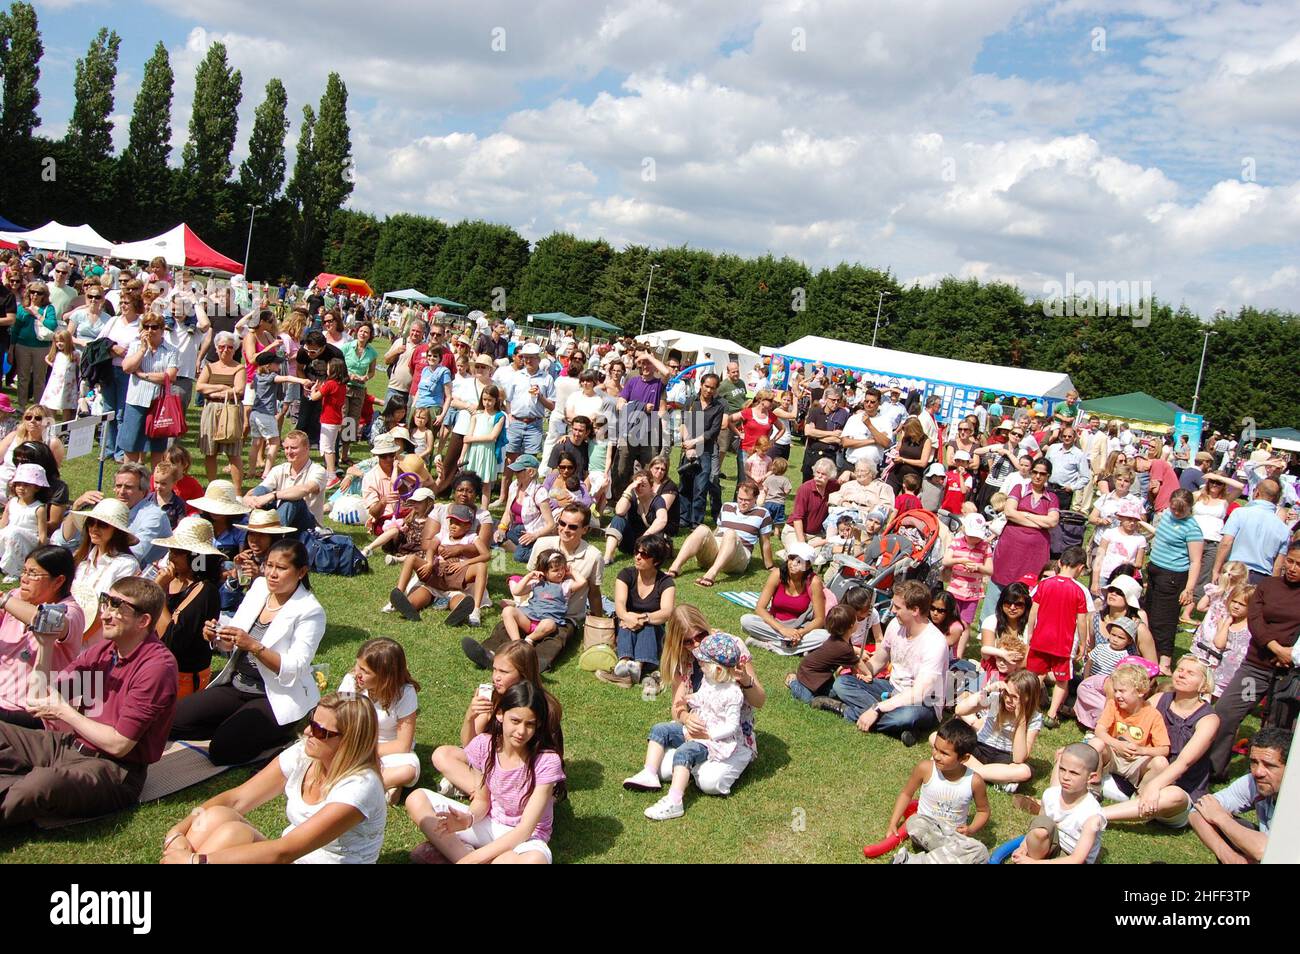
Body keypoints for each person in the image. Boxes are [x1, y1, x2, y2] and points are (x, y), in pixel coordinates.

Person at [0, 577, 177, 827]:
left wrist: (64, 711)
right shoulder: (105, 651)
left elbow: (119, 745)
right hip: (69, 746)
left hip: (114, 769)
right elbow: (37, 700)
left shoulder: (156, 667)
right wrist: (46, 646)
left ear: (143, 620)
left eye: (117, 607)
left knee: (40, 784)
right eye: (106, 603)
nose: (105, 614)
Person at [161, 693, 385, 864]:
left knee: (234, 834)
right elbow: (236, 799)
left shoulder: (360, 787)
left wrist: (196, 861)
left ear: (348, 742)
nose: (307, 732)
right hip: (291, 857)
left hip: (293, 856)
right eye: (311, 721)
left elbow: (285, 851)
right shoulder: (304, 755)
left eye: (320, 731)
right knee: (218, 816)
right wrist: (177, 831)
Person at [169, 540, 325, 765]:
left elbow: (296, 668)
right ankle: (234, 725)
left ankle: (278, 735)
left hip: (274, 695)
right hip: (237, 685)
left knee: (222, 751)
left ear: (301, 572)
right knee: (171, 721)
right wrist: (218, 637)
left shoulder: (310, 611)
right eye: (269, 566)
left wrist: (254, 646)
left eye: (281, 568)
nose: (272, 573)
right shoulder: (260, 587)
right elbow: (232, 642)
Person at [405, 682, 565, 863]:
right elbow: (482, 800)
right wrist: (468, 818)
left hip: (526, 840)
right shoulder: (484, 745)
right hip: (490, 824)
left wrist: (470, 860)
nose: (521, 731)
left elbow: (525, 829)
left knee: (535, 860)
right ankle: (467, 855)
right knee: (417, 798)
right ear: (500, 714)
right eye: (515, 721)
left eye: (530, 724)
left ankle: (459, 854)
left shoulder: (546, 761)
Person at [464, 502, 604, 672]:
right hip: (534, 608)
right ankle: (488, 653)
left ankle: (532, 664)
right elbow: (532, 581)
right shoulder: (542, 544)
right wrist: (520, 606)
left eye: (573, 526)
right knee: (505, 626)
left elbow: (595, 593)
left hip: (564, 616)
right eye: (562, 523)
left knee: (556, 637)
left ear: (585, 529)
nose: (565, 529)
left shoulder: (593, 556)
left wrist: (599, 625)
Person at [1207, 541, 1300, 779]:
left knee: (1278, 728)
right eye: (1290, 561)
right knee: (1227, 712)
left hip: (1290, 675)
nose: (1292, 567)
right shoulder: (1268, 585)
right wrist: (1275, 647)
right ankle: (1214, 769)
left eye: (1299, 564)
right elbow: (1255, 620)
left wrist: (1290, 654)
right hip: (1256, 670)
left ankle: (1271, 782)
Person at [816, 581, 947, 744]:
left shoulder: (935, 643)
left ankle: (846, 710)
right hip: (891, 689)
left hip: (924, 703)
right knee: (842, 683)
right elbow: (879, 660)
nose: (892, 611)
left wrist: (877, 708)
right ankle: (900, 728)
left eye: (898, 607)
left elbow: (919, 693)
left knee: (906, 716)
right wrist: (861, 672)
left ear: (915, 610)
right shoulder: (895, 625)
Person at [1103, 655, 1219, 829]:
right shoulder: (1159, 699)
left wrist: (1155, 786)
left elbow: (1184, 762)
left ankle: (1096, 815)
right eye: (1180, 670)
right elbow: (1129, 724)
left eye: (1190, 673)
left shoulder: (1208, 719)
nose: (1182, 674)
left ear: (1204, 685)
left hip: (1179, 787)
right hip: (1147, 771)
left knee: (1174, 795)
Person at [0, 546, 87, 728]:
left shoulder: (71, 612)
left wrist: (4, 600)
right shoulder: (16, 597)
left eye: (33, 573)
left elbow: (46, 621)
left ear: (58, 581)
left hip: (36, 714)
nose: (24, 578)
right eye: (24, 571)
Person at [886, 719, 990, 864]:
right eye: (935, 748)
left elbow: (983, 811)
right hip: (925, 829)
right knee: (914, 821)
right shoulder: (925, 768)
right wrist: (893, 822)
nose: (936, 755)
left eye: (944, 753)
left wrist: (971, 829)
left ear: (964, 758)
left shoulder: (974, 781)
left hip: (953, 836)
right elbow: (906, 794)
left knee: (981, 852)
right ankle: (948, 857)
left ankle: (911, 861)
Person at [1190, 727, 1290, 865]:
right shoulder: (1253, 782)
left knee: (1225, 823)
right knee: (1223, 824)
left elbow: (1264, 850)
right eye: (1254, 762)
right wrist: (1229, 857)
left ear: (1291, 767)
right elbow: (1197, 810)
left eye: (1269, 765)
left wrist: (1221, 817)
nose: (1258, 772)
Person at [152, 517, 225, 700]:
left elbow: (172, 643)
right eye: (171, 549)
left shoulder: (206, 592)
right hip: (154, 669)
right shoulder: (170, 580)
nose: (171, 556)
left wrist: (157, 593)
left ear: (196, 555)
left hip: (181, 679)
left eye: (178, 551)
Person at [337, 638, 421, 794]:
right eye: (358, 666)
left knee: (408, 770)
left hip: (386, 748)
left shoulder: (405, 693)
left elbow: (402, 745)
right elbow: (338, 718)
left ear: (385, 676)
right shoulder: (351, 682)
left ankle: (356, 783)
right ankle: (383, 784)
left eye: (366, 672)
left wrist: (366, 751)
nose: (358, 674)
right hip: (353, 741)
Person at [388, 503, 489, 627]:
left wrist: (464, 563)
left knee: (480, 569)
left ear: (468, 526)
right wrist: (430, 562)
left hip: (454, 581)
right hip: (435, 578)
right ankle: (398, 598)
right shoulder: (442, 535)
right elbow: (431, 548)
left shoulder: (472, 537)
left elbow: (486, 555)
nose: (453, 526)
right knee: (411, 560)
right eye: (451, 522)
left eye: (458, 523)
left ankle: (474, 612)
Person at [667, 479, 776, 588]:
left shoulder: (762, 513)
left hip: (738, 557)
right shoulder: (727, 506)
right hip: (717, 551)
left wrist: (769, 566)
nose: (742, 503)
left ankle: (711, 574)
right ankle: (675, 567)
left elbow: (765, 542)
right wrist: (706, 544)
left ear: (755, 499)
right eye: (740, 499)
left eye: (747, 500)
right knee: (702, 529)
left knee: (730, 533)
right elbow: (718, 530)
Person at [1009, 743, 1106, 864]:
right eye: (1062, 769)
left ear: (1091, 778)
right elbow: (1038, 825)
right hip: (1052, 845)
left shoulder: (1092, 815)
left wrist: (1033, 863)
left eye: (1074, 773)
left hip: (1073, 857)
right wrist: (1023, 847)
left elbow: (1077, 859)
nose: (1065, 777)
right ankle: (1034, 856)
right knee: (1041, 826)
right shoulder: (1050, 795)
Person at [1026, 545, 1090, 728]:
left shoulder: (1044, 584)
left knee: (1036, 674)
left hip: (1041, 638)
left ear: (1060, 563)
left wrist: (1031, 632)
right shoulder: (1079, 590)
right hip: (1064, 643)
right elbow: (1082, 621)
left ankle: (1028, 707)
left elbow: (1033, 611)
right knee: (1062, 679)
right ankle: (1052, 714)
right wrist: (1083, 644)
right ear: (1080, 568)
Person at [986, 458, 1060, 611]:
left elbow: (1052, 522)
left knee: (1028, 589)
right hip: (1010, 547)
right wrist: (1040, 522)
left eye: (1042, 473)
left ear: (1048, 476)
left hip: (1035, 553)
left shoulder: (1052, 498)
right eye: (1035, 472)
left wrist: (1025, 515)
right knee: (999, 583)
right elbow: (1009, 512)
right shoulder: (1019, 489)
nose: (1038, 476)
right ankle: (986, 625)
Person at [952, 668, 1041, 791]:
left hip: (1005, 756)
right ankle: (997, 778)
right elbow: (960, 710)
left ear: (1028, 698)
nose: (1009, 700)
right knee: (939, 738)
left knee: (1024, 771)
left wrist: (1021, 720)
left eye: (1015, 697)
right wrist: (987, 690)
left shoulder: (1034, 717)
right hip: (980, 746)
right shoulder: (996, 700)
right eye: (1007, 694)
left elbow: (1019, 758)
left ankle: (969, 770)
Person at [1145, 489, 1204, 673]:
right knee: (1150, 614)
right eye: (1174, 509)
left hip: (1172, 577)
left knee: (1165, 620)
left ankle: (1165, 661)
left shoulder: (1192, 528)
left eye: (1181, 510)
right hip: (1155, 570)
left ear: (1189, 508)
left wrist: (1189, 588)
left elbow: (1195, 561)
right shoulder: (1167, 516)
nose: (1177, 513)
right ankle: (1149, 653)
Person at [740, 542, 829, 655]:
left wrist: (800, 633)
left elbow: (819, 619)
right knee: (746, 620)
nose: (793, 563)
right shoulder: (777, 574)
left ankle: (770, 645)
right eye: (791, 559)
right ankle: (796, 648)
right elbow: (760, 608)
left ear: (808, 565)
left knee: (825, 636)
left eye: (799, 561)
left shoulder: (814, 582)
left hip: (800, 628)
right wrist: (782, 629)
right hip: (775, 625)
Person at [119, 312, 179, 466]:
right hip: (136, 401)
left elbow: (170, 376)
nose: (150, 330)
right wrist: (142, 350)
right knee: (131, 445)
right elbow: (127, 367)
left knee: (157, 448)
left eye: (154, 327)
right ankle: (130, 479)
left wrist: (142, 374)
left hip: (158, 404)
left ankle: (155, 484)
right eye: (146, 326)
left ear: (162, 329)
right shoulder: (135, 346)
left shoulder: (172, 350)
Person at [502, 548, 590, 648]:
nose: (560, 573)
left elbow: (582, 582)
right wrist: (528, 577)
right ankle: (516, 642)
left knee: (550, 624)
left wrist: (572, 571)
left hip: (546, 623)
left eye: (562, 569)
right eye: (555, 570)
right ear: (544, 571)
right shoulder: (537, 583)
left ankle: (529, 639)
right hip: (528, 618)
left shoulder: (564, 586)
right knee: (507, 611)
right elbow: (516, 592)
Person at [242, 430, 328, 532]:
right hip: (283, 516)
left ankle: (271, 535)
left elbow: (305, 489)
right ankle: (256, 532)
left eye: (294, 448)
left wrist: (273, 495)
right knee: (261, 490)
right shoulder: (279, 469)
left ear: (307, 448)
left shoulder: (318, 470)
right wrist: (248, 498)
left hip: (308, 525)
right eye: (286, 448)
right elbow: (258, 490)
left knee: (293, 500)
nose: (289, 452)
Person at [1212, 478, 1290, 586]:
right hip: (1262, 578)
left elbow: (1226, 543)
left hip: (1235, 571)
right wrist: (1272, 588)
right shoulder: (1283, 528)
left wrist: (1216, 570)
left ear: (1256, 492)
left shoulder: (1239, 513)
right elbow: (1278, 565)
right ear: (1277, 499)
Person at [602, 455, 677, 562]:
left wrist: (644, 537)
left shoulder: (657, 500)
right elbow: (619, 511)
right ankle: (608, 556)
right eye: (637, 485)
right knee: (618, 518)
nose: (639, 488)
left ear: (651, 487)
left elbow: (662, 520)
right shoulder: (632, 495)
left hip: (650, 541)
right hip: (632, 540)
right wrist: (629, 488)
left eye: (643, 485)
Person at [196, 332, 248, 487]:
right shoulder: (209, 367)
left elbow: (238, 390)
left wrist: (212, 391)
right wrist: (221, 387)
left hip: (231, 410)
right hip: (211, 409)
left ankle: (238, 492)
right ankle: (212, 487)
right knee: (210, 451)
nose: (226, 350)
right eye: (222, 347)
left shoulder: (239, 368)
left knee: (233, 453)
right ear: (216, 349)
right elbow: (199, 387)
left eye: (230, 347)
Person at [785, 605, 860, 705]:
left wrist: (855, 674)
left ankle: (819, 692)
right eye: (856, 620)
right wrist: (867, 674)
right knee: (808, 699)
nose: (858, 622)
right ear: (851, 625)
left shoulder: (843, 640)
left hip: (823, 677)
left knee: (834, 694)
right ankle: (792, 681)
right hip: (809, 673)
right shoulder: (842, 646)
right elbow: (857, 662)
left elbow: (851, 663)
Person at [494, 455, 554, 564]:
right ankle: (513, 544)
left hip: (532, 532)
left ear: (530, 472)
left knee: (520, 556)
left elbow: (550, 524)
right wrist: (501, 528)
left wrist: (534, 535)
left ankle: (546, 552)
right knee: (491, 528)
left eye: (518, 471)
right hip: (516, 529)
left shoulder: (540, 492)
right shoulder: (514, 486)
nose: (515, 474)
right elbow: (507, 512)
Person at [781, 456, 840, 551]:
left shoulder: (833, 486)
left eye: (824, 474)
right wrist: (801, 542)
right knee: (801, 553)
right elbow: (797, 518)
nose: (819, 476)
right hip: (794, 531)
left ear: (830, 476)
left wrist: (848, 473)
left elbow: (850, 484)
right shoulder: (805, 489)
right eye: (817, 472)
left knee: (815, 558)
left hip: (816, 534)